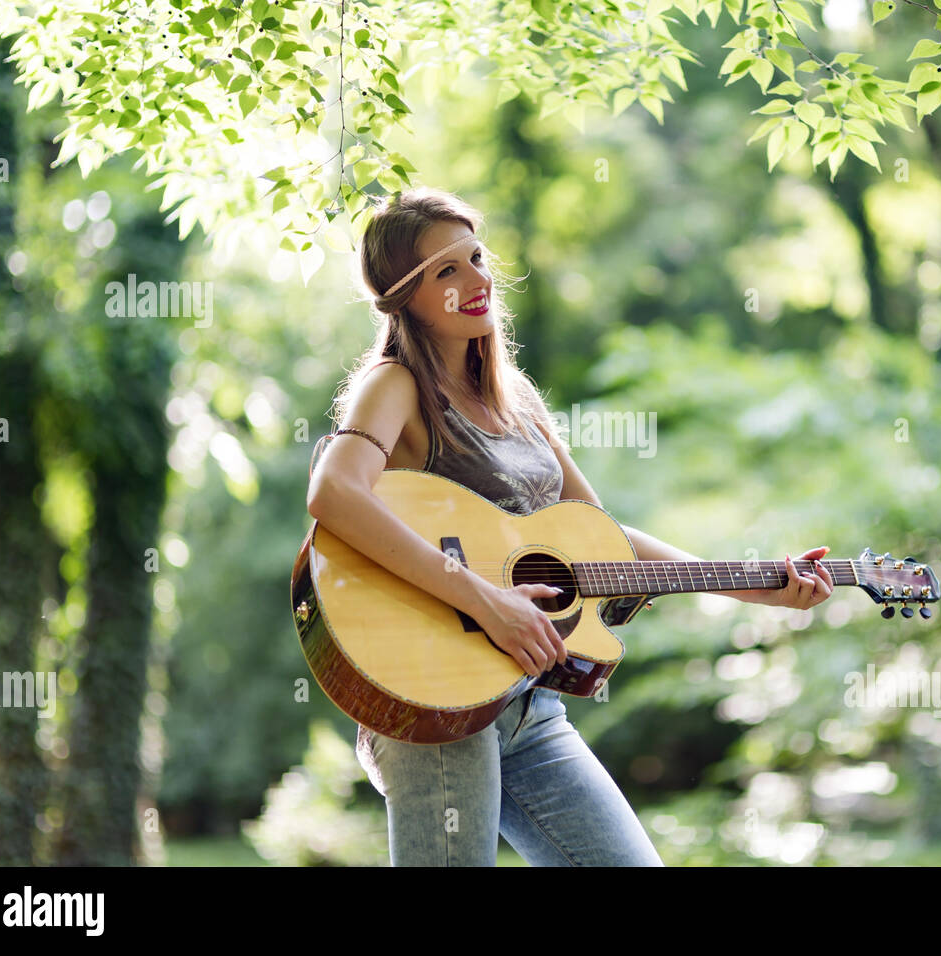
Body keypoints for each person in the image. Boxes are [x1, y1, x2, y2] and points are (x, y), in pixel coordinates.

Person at [306, 186, 835, 866]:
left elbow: (598, 532)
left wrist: (753, 585)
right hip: (433, 708)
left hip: (528, 708)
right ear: (406, 298)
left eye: (476, 257)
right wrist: (486, 599)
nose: (478, 280)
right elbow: (335, 492)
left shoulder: (515, 397)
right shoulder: (395, 386)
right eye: (447, 271)